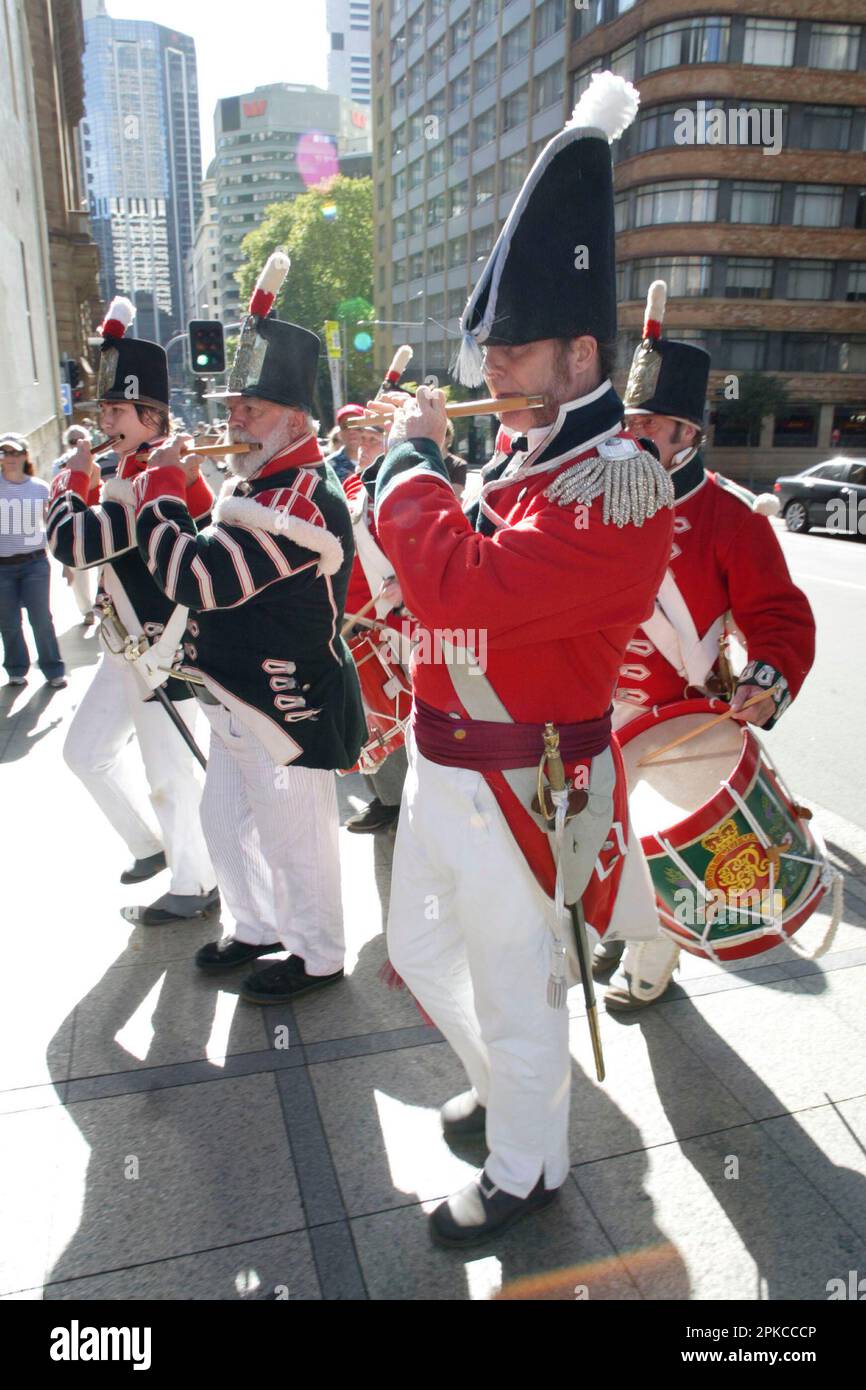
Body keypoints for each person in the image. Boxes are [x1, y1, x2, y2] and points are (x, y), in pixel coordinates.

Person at [367, 73, 675, 1246]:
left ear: (581, 349)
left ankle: (525, 1169)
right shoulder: (520, 460)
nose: (489, 362)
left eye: (513, 344)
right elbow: (420, 580)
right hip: (446, 762)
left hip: (521, 778)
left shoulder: (617, 485)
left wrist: (404, 463)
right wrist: (411, 473)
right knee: (415, 951)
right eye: (487, 343)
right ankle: (510, 1092)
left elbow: (461, 587)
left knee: (516, 977)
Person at [134, 255, 365, 1005]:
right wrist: (191, 487)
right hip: (236, 697)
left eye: (252, 410)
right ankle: (258, 927)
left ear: (295, 419)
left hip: (283, 702)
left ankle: (320, 954)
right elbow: (223, 534)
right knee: (225, 823)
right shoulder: (264, 480)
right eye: (234, 407)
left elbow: (197, 576)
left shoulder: (298, 498)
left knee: (297, 836)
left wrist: (162, 488)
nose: (235, 421)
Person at [593, 283, 816, 1009]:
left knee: (656, 842)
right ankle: (623, 923)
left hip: (678, 718)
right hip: (592, 711)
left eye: (655, 424)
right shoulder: (594, 498)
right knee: (602, 838)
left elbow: (780, 617)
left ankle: (653, 957)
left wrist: (767, 676)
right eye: (632, 420)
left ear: (691, 433)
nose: (636, 435)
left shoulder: (730, 516)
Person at [46, 296, 218, 924]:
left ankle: (195, 885)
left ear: (151, 415)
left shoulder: (144, 478)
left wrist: (72, 481)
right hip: (130, 649)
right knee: (84, 753)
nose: (106, 421)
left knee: (171, 776)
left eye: (116, 410)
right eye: (105, 409)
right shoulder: (135, 469)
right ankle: (152, 847)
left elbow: (72, 542)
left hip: (163, 652)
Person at [0, 432, 66, 688]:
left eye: (16, 453)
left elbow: (52, 526)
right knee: (8, 622)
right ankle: (16, 668)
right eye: (5, 453)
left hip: (34, 564)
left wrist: (67, 565)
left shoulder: (39, 487)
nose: (11, 458)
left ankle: (53, 669)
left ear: (25, 455)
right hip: (2, 567)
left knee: (41, 618)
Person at [52, 426, 97, 624]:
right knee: (78, 572)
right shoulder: (59, 466)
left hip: (98, 517)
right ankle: (87, 610)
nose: (77, 444)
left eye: (81, 440)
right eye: (72, 441)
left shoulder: (101, 459)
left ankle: (103, 604)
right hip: (75, 522)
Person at [325, 405, 365, 481]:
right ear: (339, 431)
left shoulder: (380, 461)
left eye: (356, 425)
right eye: (345, 426)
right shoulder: (328, 467)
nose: (351, 431)